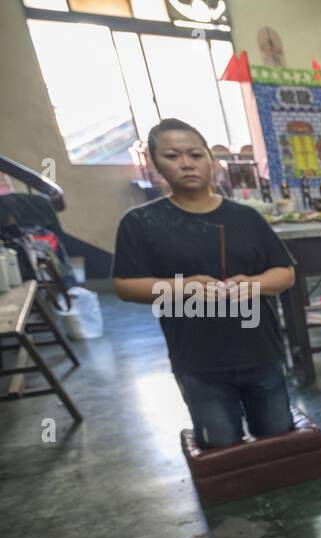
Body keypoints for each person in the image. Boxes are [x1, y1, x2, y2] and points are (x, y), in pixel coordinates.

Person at [112, 118, 297, 449]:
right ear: (155, 164)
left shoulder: (245, 218)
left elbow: (285, 272)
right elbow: (125, 286)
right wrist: (183, 287)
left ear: (210, 161)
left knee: (279, 444)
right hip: (197, 360)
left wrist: (253, 284)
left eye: (195, 155)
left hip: (261, 352)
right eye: (172, 156)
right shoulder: (141, 223)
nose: (186, 163)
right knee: (221, 450)